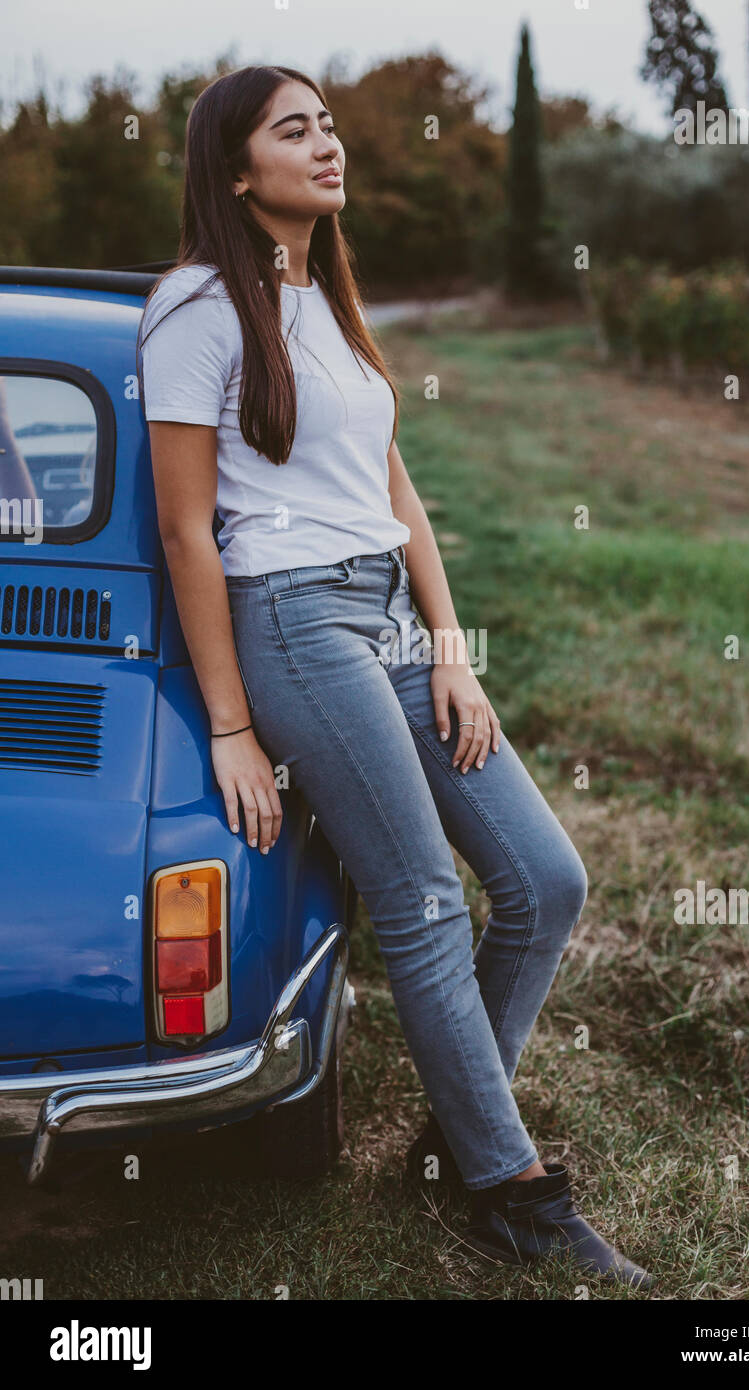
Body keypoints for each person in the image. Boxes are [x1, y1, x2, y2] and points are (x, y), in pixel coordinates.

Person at [137, 63, 653, 1290]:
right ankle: (511, 1191)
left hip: (387, 614)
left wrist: (452, 651)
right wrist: (227, 723)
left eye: (329, 124)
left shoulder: (326, 295)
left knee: (542, 878)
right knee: (422, 896)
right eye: (295, 129)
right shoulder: (196, 307)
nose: (328, 145)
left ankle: (455, 1138)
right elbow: (185, 534)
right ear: (233, 166)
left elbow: (391, 489)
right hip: (294, 626)